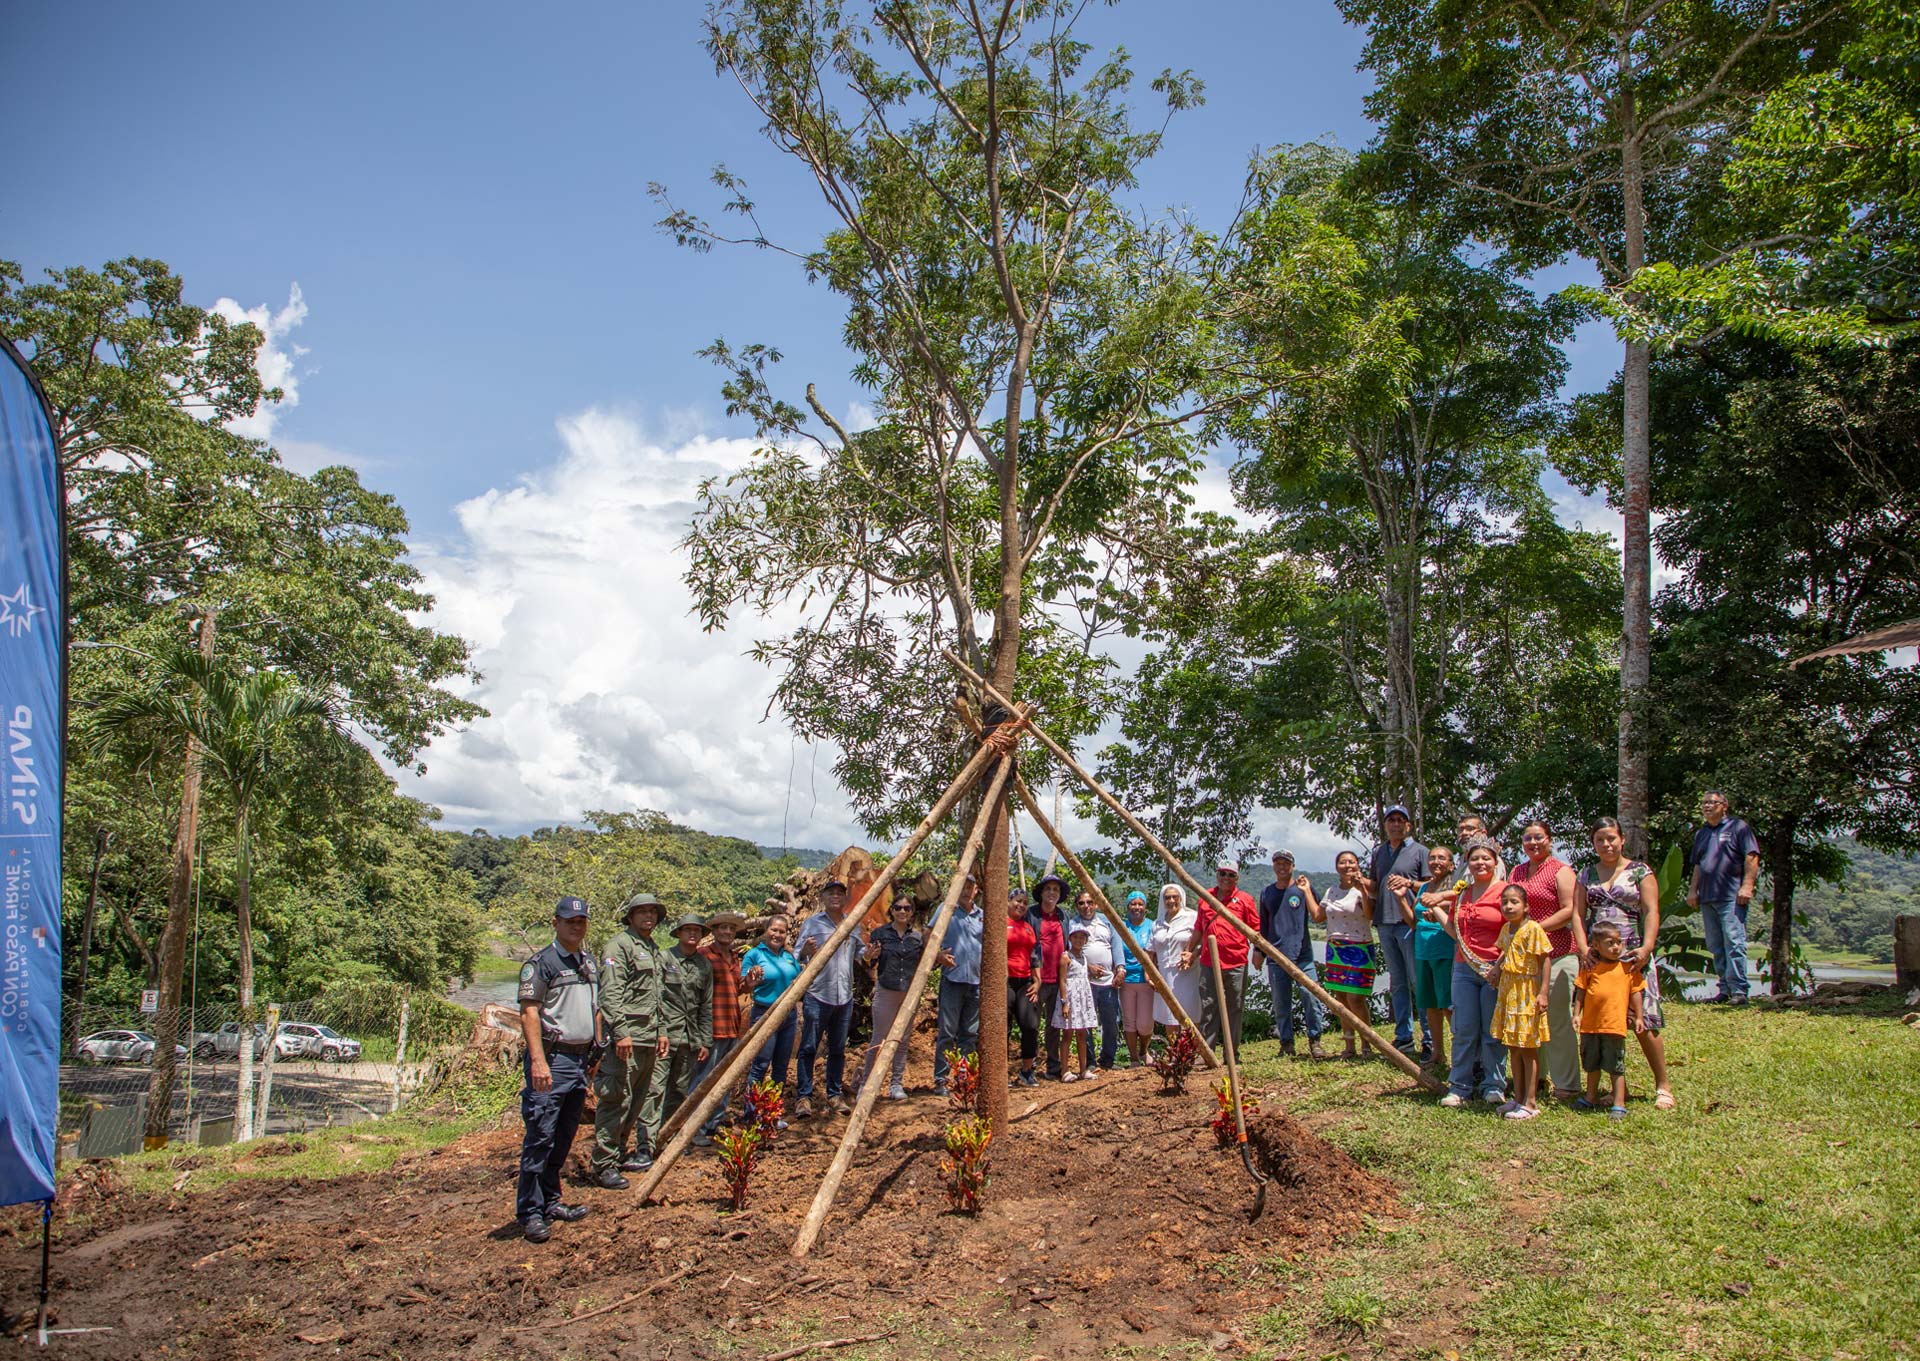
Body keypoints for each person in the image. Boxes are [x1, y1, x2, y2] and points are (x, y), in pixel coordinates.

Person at [515, 896, 601, 1242]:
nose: (576, 926)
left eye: (581, 921)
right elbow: (529, 1013)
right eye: (569, 921)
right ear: (556, 923)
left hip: (580, 1060)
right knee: (540, 1135)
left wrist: (596, 1050)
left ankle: (552, 1200)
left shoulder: (589, 963)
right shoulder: (541, 965)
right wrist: (537, 1060)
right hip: (553, 1060)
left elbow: (595, 1006)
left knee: (564, 1135)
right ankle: (530, 1211)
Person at [1579, 817, 1675, 1109]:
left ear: (1621, 839)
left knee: (1644, 1020)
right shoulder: (1586, 874)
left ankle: (1663, 1086)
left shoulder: (1639, 872)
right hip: (1597, 959)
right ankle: (1615, 1088)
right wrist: (1583, 948)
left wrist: (1647, 947)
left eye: (1611, 838)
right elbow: (1577, 913)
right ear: (1593, 843)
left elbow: (1652, 911)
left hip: (1632, 955)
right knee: (1605, 1023)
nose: (1606, 845)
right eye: (1600, 840)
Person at [590, 893, 667, 1187]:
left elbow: (656, 997)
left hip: (648, 1038)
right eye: (642, 912)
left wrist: (661, 1032)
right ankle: (603, 1163)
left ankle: (618, 1155)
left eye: (652, 912)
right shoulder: (618, 946)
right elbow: (611, 994)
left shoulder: (652, 948)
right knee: (616, 1100)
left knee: (635, 1102)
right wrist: (620, 1032)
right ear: (631, 916)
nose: (649, 917)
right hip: (627, 1040)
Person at [1507, 820, 1581, 1102]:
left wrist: (1535, 929)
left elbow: (1570, 909)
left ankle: (1568, 1085)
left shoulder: (1561, 871)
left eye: (1539, 838)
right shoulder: (1518, 871)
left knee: (1558, 1021)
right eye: (1528, 838)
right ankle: (1535, 1081)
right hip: (1527, 961)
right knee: (1530, 1021)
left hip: (1558, 952)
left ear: (1550, 840)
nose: (1533, 843)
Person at [1438, 840, 1509, 1108]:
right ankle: (1460, 1086)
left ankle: (1494, 1084)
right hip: (1464, 968)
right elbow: (1455, 931)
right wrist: (1434, 909)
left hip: (1494, 968)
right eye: (1475, 858)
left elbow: (1514, 932)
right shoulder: (1462, 893)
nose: (1480, 863)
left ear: (1495, 862)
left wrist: (1499, 966)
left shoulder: (1505, 892)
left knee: (1492, 1031)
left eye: (1486, 858)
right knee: (1464, 1028)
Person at [643, 914, 713, 1146]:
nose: (692, 934)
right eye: (688, 930)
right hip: (664, 1037)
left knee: (679, 1091)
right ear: (679, 933)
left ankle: (668, 1138)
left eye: (697, 930)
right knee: (654, 1091)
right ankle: (646, 1144)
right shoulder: (664, 958)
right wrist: (659, 1030)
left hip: (689, 1038)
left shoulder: (704, 966)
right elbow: (655, 999)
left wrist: (705, 1040)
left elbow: (706, 1005)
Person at [794, 878, 861, 1117]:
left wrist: (870, 953)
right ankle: (804, 1097)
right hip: (817, 994)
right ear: (823, 898)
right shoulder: (812, 924)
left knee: (837, 1049)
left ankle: (834, 1095)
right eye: (831, 893)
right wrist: (805, 952)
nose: (835, 896)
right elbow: (796, 955)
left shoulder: (853, 924)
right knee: (809, 1048)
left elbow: (860, 952)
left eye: (840, 893)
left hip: (844, 996)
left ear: (845, 899)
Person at [1367, 806, 1430, 1057]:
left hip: (1410, 922)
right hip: (1385, 922)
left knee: (1418, 981)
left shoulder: (1420, 852)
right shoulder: (1379, 852)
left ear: (1408, 826)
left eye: (1400, 820)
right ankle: (1404, 1037)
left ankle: (1429, 1038)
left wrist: (1409, 883)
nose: (1395, 824)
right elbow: (1374, 885)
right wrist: (1358, 881)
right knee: (1397, 983)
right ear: (1385, 825)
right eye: (1391, 820)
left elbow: (1431, 885)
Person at [1689, 791, 1760, 1004]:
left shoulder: (1738, 828)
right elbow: (1699, 865)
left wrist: (1747, 886)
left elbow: (1752, 856)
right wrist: (1693, 890)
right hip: (1708, 897)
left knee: (1734, 941)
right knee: (1715, 944)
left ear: (1724, 805)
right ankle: (1725, 989)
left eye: (1712, 802)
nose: (1707, 806)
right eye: (1705, 803)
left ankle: (1739, 990)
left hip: (1731, 896)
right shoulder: (1701, 833)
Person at [1489, 883, 1553, 1120]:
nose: (1508, 906)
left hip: (1527, 990)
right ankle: (1517, 1097)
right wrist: (1496, 969)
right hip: (1508, 990)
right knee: (1513, 1046)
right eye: (1505, 901)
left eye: (1514, 902)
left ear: (1526, 906)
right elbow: (1504, 953)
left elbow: (1544, 959)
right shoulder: (1507, 929)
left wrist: (1543, 992)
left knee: (1528, 1047)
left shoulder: (1534, 929)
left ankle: (1531, 1102)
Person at [1184, 862, 1261, 1051]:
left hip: (1236, 963)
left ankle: (1231, 1052)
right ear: (1217, 875)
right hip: (1209, 962)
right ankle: (1207, 1052)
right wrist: (1189, 950)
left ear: (1237, 878)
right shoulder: (1205, 898)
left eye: (1231, 875)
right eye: (1223, 873)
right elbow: (1199, 928)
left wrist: (1259, 952)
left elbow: (1256, 929)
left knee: (1235, 1007)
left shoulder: (1245, 900)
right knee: (1208, 1007)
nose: (1226, 878)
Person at [1258, 850, 1327, 1059]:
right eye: (1278, 863)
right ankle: (1286, 1043)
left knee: (1311, 998)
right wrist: (1259, 952)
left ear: (1293, 866)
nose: (1282, 867)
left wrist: (1306, 890)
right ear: (1273, 866)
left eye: (1286, 863)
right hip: (1276, 957)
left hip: (1303, 956)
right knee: (1281, 1003)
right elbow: (1263, 926)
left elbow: (1317, 916)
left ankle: (1315, 1041)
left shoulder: (1302, 889)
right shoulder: (1267, 893)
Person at [1574, 920, 1646, 1120]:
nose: (1616, 947)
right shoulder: (1590, 967)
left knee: (1616, 1065)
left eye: (1619, 942)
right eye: (1610, 943)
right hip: (1590, 1025)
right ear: (1596, 945)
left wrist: (1639, 1016)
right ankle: (1591, 1096)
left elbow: (1636, 992)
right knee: (1591, 1063)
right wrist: (1576, 1014)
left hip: (1614, 1026)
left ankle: (1619, 1102)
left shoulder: (1627, 968)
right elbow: (1581, 991)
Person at [690, 909, 749, 1144]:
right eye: (723, 927)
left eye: (731, 928)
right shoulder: (704, 955)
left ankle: (713, 1125)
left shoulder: (734, 957)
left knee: (725, 1080)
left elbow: (736, 988)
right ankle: (694, 1129)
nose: (727, 932)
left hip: (731, 1025)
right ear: (714, 931)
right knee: (703, 1079)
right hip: (711, 1028)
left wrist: (748, 984)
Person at [740, 913, 801, 1122]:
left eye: (781, 931)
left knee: (781, 1066)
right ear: (766, 931)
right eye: (773, 930)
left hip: (788, 1015)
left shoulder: (788, 956)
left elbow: (799, 978)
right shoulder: (755, 955)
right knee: (760, 1064)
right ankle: (752, 1114)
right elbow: (745, 985)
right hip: (764, 1013)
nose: (777, 934)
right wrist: (751, 979)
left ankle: (772, 1113)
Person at [1403, 848, 1457, 1077]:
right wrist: (1399, 899)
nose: (1436, 861)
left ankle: (1460, 1056)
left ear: (1451, 863)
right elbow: (1413, 922)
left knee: (1448, 1005)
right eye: (1432, 858)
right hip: (1422, 950)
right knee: (1430, 1005)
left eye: (1441, 858)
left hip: (1444, 949)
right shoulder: (1424, 887)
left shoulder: (1454, 888)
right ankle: (1437, 1052)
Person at [864, 897, 924, 1100]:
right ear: (892, 910)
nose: (902, 911)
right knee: (878, 1038)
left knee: (903, 1039)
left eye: (907, 908)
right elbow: (868, 962)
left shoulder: (917, 937)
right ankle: (866, 1084)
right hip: (886, 989)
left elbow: (925, 963)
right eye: (898, 907)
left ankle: (896, 1084)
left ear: (912, 912)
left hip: (908, 993)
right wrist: (869, 956)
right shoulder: (880, 934)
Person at [1320, 851, 1377, 1060]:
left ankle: (1367, 1044)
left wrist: (1362, 888)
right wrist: (1307, 890)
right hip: (1336, 948)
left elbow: (1370, 915)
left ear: (1357, 865)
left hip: (1360, 947)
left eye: (1351, 862)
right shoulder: (1331, 891)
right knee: (1341, 1000)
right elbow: (1318, 916)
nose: (1347, 865)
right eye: (1343, 862)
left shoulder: (1363, 890)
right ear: (1337, 867)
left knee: (1356, 998)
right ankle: (1349, 1046)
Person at [933, 873, 984, 1095]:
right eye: (962, 886)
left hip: (976, 982)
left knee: (970, 1034)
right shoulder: (946, 910)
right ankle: (942, 1079)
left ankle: (964, 1078)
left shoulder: (983, 915)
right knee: (947, 1031)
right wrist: (938, 955)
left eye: (970, 887)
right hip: (952, 980)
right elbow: (929, 935)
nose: (966, 890)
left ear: (976, 890)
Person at [1071, 889, 1122, 1070]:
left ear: (1097, 904)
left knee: (1111, 1021)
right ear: (1076, 906)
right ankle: (1090, 1062)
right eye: (1082, 903)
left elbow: (1116, 945)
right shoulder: (1073, 924)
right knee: (1087, 1022)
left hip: (1109, 981)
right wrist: (1088, 967)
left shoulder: (1107, 921)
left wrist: (1120, 968)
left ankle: (1108, 1059)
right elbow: (1071, 951)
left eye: (1090, 902)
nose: (1086, 906)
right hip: (1084, 982)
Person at [1030, 874, 1070, 1078]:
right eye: (1049, 889)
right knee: (1032, 1024)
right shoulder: (1032, 914)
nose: (1052, 893)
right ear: (1042, 893)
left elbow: (1067, 946)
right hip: (1037, 981)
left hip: (1058, 980)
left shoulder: (1063, 916)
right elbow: (1028, 945)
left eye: (1056, 890)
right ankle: (1030, 1067)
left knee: (1054, 1027)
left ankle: (1053, 1067)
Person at [1149, 884, 1202, 1033]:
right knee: (1169, 1017)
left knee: (1190, 1015)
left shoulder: (1192, 917)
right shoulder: (1157, 923)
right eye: (1167, 898)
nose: (1171, 900)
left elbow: (1205, 942)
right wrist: (1149, 975)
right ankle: (1176, 1054)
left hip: (1187, 975)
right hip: (1165, 976)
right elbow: (1150, 952)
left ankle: (1193, 1052)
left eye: (1175, 897)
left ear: (1181, 898)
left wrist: (1193, 955)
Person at [1005, 887, 1043, 1086]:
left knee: (1030, 1025)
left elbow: (1034, 956)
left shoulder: (1028, 927)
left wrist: (1037, 982)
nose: (1020, 905)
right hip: (1005, 981)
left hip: (1025, 982)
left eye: (1024, 902)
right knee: (1003, 1027)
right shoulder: (1001, 923)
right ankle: (998, 1072)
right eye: (1017, 901)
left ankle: (1027, 1070)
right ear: (1008, 901)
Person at [1116, 890, 1158, 1065]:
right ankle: (1133, 1057)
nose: (1137, 907)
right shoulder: (1121, 927)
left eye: (1140, 904)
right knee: (1129, 1022)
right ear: (1128, 907)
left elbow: (1156, 951)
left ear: (1145, 907)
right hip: (1127, 981)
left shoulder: (1152, 925)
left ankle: (1143, 1051)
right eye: (1133, 904)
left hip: (1146, 980)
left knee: (1146, 1023)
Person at [1054, 921, 1097, 1082]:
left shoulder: (1084, 958)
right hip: (1071, 999)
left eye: (1082, 937)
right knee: (1067, 1034)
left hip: (1082, 999)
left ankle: (1083, 1068)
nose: (1079, 940)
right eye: (1076, 937)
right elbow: (1063, 980)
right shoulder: (1066, 957)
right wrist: (1065, 1002)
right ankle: (1064, 1070)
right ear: (1070, 938)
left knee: (1082, 1033)